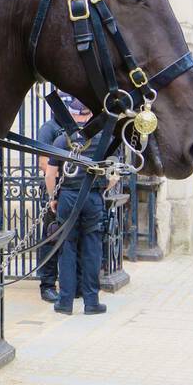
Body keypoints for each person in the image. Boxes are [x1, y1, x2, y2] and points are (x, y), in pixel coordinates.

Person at [44, 97, 114, 316]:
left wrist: (52, 197)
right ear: (91, 116)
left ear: (73, 115)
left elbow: (50, 174)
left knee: (67, 248)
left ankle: (65, 302)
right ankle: (91, 302)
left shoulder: (62, 140)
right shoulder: (105, 140)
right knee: (92, 248)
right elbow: (114, 176)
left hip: (68, 197)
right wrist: (102, 189)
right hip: (92, 197)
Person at [36, 106, 66, 303]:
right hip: (54, 188)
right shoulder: (49, 128)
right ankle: (47, 284)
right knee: (51, 236)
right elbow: (43, 162)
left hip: (72, 189)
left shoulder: (76, 129)